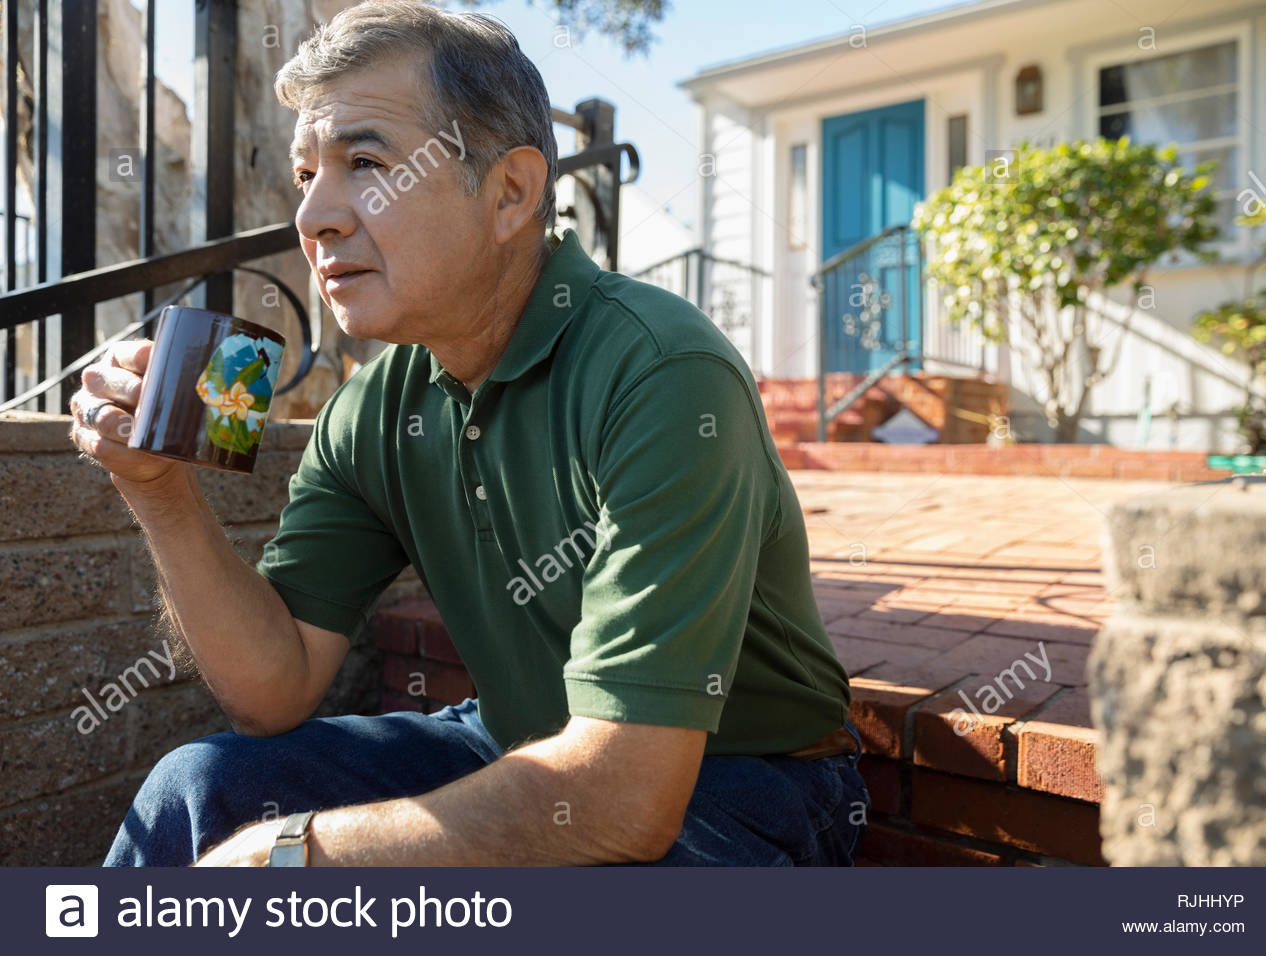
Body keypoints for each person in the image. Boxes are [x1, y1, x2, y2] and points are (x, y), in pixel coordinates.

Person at [72, 1, 867, 867]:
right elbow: (273, 689)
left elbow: (627, 795)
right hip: (514, 740)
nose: (313, 218)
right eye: (305, 176)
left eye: (365, 162)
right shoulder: (369, 412)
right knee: (201, 788)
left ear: (510, 194)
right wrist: (160, 493)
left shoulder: (661, 371)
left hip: (739, 778)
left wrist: (294, 856)